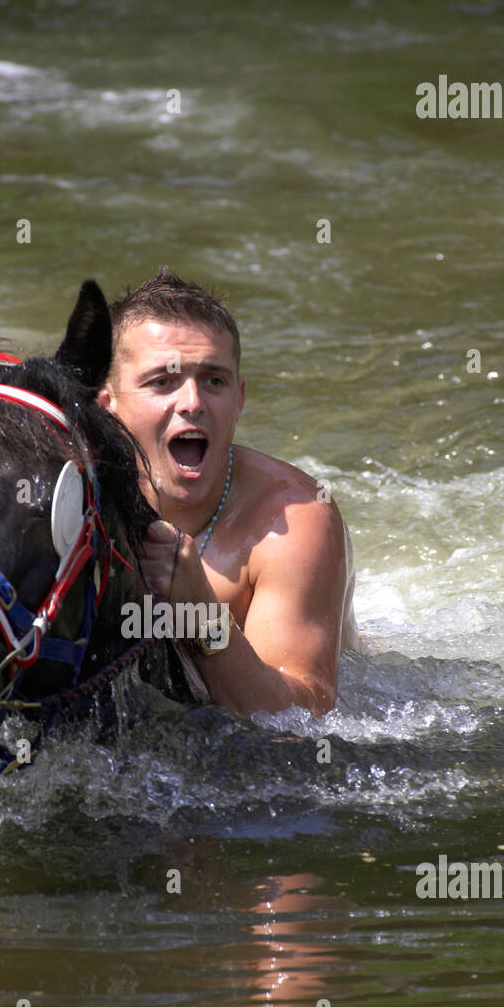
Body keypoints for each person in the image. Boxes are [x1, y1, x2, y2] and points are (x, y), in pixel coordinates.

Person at [97, 267, 357, 717]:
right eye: (162, 381)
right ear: (107, 405)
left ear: (239, 400)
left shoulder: (292, 518)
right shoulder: (76, 499)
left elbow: (304, 718)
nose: (193, 402)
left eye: (214, 380)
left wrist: (200, 615)